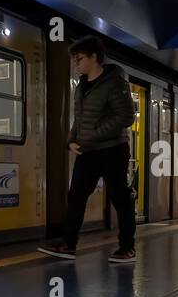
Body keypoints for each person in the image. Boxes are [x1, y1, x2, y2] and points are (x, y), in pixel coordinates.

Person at [38, 35, 137, 263]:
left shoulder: (115, 82)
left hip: (113, 149)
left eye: (80, 58)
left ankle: (127, 248)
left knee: (119, 197)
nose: (77, 63)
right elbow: (79, 119)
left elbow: (125, 117)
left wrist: (91, 136)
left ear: (94, 57)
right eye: (75, 59)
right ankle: (68, 245)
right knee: (76, 196)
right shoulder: (81, 86)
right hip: (89, 152)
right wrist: (70, 140)